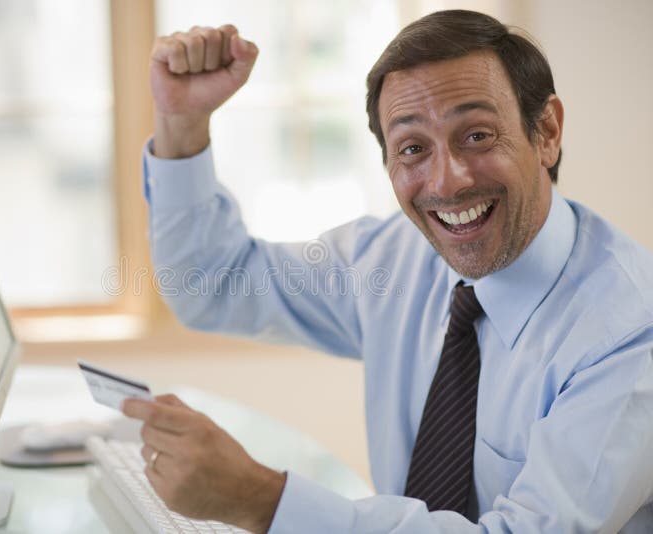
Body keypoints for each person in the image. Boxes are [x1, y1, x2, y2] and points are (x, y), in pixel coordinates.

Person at [121, 9, 653, 533]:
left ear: (547, 131)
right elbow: (211, 286)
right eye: (413, 148)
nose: (449, 181)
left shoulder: (629, 331)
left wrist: (263, 500)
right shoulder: (391, 260)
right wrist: (181, 124)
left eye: (477, 136)